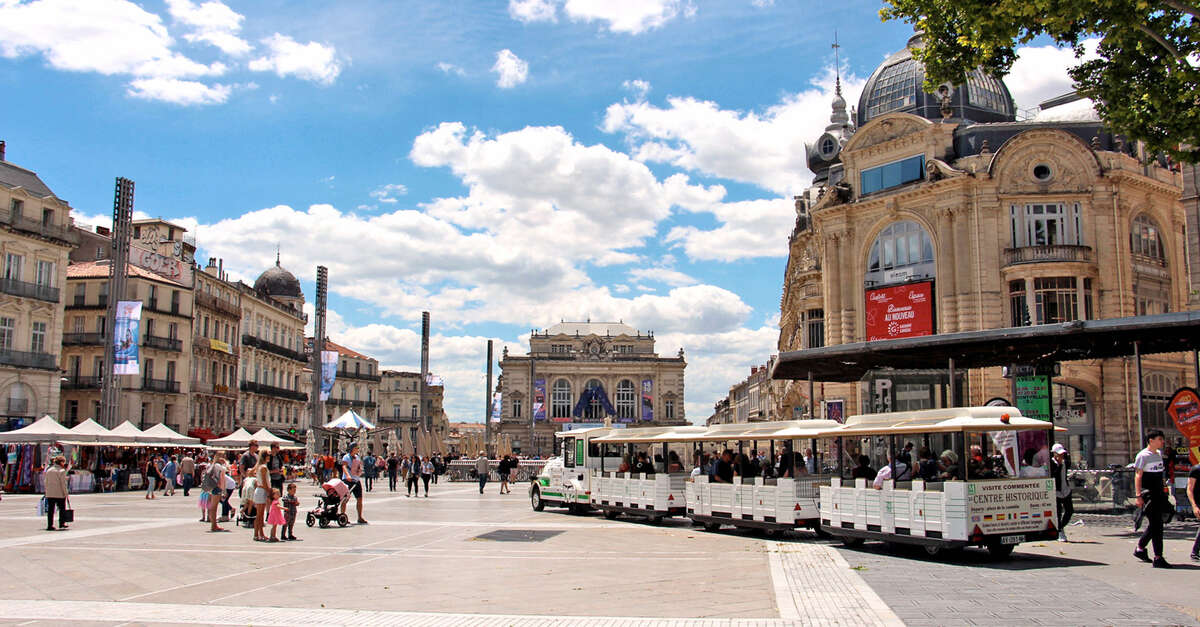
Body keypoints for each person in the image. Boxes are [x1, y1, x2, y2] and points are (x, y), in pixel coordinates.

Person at [1133, 429, 1171, 568]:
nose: (1162, 442)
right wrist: (1138, 495)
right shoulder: (1143, 456)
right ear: (1151, 440)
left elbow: (1160, 475)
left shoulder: (1159, 454)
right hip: (1148, 494)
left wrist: (1164, 489)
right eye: (1159, 439)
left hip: (1159, 493)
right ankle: (1158, 557)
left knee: (1156, 524)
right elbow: (1138, 476)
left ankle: (1140, 548)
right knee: (1157, 525)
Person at [1049, 443, 1073, 541]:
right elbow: (1053, 475)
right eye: (1059, 454)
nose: (1061, 456)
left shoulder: (1065, 462)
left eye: (1062, 454)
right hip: (1056, 491)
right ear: (1054, 454)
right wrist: (1058, 465)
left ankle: (1061, 526)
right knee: (1058, 512)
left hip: (1065, 489)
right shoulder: (1051, 463)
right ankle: (1059, 531)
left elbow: (1069, 463)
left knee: (1069, 510)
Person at [341, 444, 368, 524]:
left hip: (356, 480)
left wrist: (360, 471)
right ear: (352, 449)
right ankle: (342, 516)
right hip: (348, 480)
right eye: (356, 448)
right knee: (345, 499)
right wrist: (347, 475)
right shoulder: (346, 457)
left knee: (359, 499)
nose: (358, 449)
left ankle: (360, 517)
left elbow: (359, 466)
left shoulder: (357, 457)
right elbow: (344, 466)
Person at [43, 456, 70, 531]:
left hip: (50, 493)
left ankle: (50, 525)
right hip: (59, 493)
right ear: (61, 462)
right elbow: (63, 483)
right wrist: (66, 493)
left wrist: (47, 491)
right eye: (63, 462)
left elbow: (45, 481)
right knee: (62, 509)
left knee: (50, 510)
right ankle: (61, 523)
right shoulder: (62, 471)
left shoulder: (49, 470)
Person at [204, 457, 230, 532]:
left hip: (213, 487)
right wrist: (226, 463)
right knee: (214, 507)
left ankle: (214, 525)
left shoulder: (213, 465)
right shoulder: (218, 466)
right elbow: (226, 470)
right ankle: (213, 525)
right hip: (217, 487)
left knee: (213, 507)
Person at [251, 452, 272, 541]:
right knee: (259, 515)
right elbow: (264, 482)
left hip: (260, 490)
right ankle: (256, 534)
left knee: (261, 514)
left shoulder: (260, 466)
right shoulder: (263, 467)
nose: (269, 457)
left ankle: (260, 533)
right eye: (268, 456)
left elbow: (251, 473)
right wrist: (269, 491)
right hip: (262, 490)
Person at [1188, 459, 1199, 562]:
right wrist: (1194, 505)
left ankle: (1195, 552)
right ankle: (1194, 552)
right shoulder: (1196, 469)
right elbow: (1190, 489)